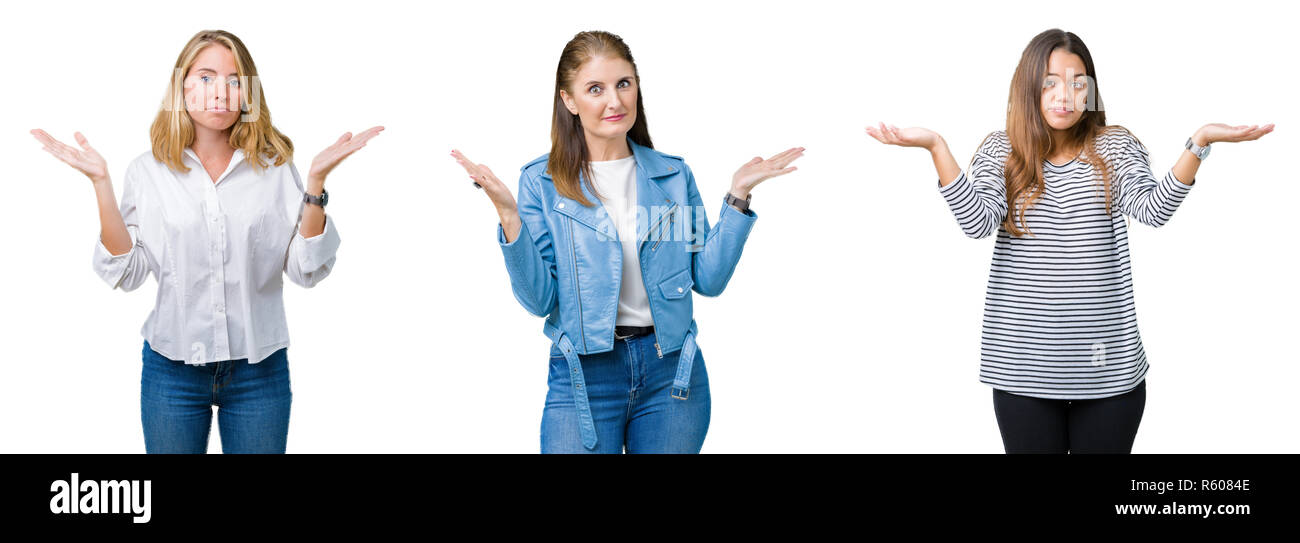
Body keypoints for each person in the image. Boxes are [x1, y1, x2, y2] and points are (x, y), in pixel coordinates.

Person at [866, 28, 1272, 453]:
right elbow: (977, 222)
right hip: (1024, 373)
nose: (1065, 95)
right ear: (1029, 89)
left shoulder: (1114, 147)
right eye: (1050, 82)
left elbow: (1154, 209)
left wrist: (1200, 142)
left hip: (1108, 374)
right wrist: (937, 147)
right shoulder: (1001, 150)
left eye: (1079, 83)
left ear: (1090, 91)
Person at [31, 29, 383, 453]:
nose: (221, 92)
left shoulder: (274, 167)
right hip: (171, 372)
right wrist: (100, 183)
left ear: (248, 92)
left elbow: (303, 268)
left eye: (235, 80)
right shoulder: (149, 171)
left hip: (260, 372)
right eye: (206, 77)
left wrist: (316, 183)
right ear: (182, 85)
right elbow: (127, 271)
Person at [452, 30, 803, 453]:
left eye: (623, 84)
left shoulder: (672, 176)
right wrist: (509, 216)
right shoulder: (540, 183)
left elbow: (707, 280)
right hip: (583, 375)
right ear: (569, 101)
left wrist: (738, 196)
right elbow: (538, 301)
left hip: (671, 375)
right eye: (595, 89)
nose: (614, 101)